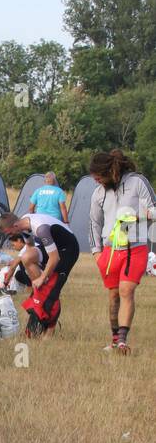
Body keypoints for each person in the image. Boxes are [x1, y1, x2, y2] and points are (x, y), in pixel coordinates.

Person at [88, 148, 156, 354]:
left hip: (134, 249)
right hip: (109, 252)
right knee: (114, 295)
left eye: (99, 177)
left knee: (127, 291)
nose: (96, 181)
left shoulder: (138, 182)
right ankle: (115, 339)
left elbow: (154, 209)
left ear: (110, 171)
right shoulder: (98, 193)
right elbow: (93, 223)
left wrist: (138, 217)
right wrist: (96, 252)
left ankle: (123, 342)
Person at [0, 209, 80, 336]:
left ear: (15, 226)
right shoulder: (23, 223)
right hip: (54, 248)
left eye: (10, 234)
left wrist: (42, 277)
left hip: (67, 250)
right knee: (27, 257)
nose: (10, 237)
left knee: (51, 289)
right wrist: (24, 267)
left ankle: (50, 331)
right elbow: (30, 247)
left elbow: (55, 258)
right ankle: (40, 295)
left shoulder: (40, 228)